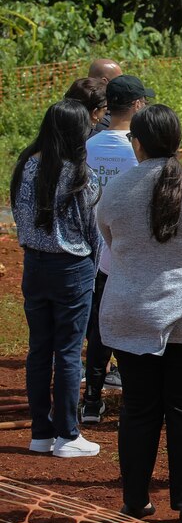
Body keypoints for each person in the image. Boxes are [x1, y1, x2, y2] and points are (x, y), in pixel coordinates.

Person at [98, 104, 182, 523]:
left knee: (137, 408)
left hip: (128, 315)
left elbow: (107, 242)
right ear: (178, 142)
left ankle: (135, 500)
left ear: (136, 143)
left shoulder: (115, 191)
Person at [11, 99, 102, 458]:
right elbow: (93, 232)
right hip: (71, 267)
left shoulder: (24, 167)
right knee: (67, 352)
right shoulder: (81, 174)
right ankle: (67, 434)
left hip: (34, 265)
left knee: (39, 349)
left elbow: (20, 214)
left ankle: (41, 432)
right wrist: (93, 272)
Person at [78, 75, 151, 423]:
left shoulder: (88, 144)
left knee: (98, 325)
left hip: (90, 246)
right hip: (129, 246)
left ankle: (91, 400)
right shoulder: (139, 149)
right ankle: (134, 394)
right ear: (136, 105)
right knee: (134, 320)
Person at [86, 58, 122, 136]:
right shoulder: (101, 116)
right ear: (104, 81)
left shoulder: (77, 95)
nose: (122, 84)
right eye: (119, 81)